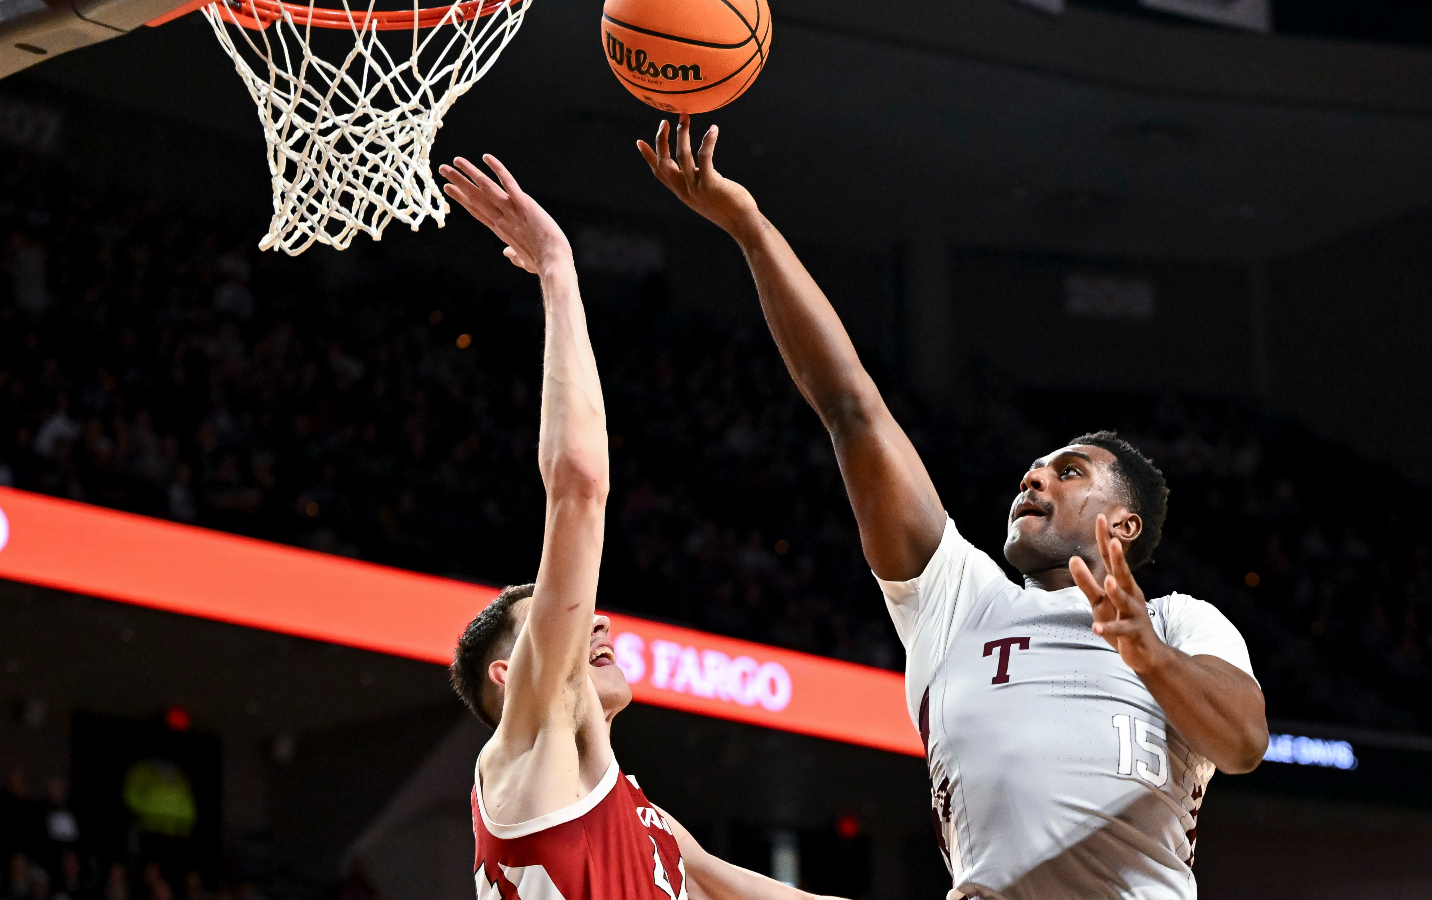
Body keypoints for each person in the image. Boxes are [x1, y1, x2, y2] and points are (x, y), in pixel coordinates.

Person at [638, 117, 1270, 900]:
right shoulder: (958, 601)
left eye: (1067, 472)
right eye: (1030, 472)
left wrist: (1148, 655)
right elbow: (850, 408)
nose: (1032, 482)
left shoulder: (1183, 623)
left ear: (1126, 524)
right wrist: (748, 227)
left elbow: (1243, 744)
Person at [437, 155, 843, 900]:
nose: (594, 621)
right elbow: (579, 488)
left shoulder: (651, 828)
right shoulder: (525, 748)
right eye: (557, 624)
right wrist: (558, 272)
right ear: (511, 674)